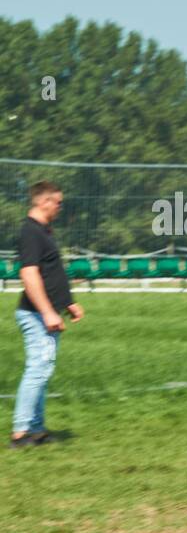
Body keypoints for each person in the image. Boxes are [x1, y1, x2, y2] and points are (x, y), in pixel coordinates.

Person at [10, 181, 82, 448]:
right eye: (58, 202)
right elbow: (29, 275)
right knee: (37, 370)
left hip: (45, 314)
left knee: (43, 370)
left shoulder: (43, 231)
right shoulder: (30, 232)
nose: (60, 207)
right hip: (35, 315)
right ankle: (20, 432)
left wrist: (69, 303)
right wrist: (48, 312)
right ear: (44, 202)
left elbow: (52, 274)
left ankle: (37, 430)